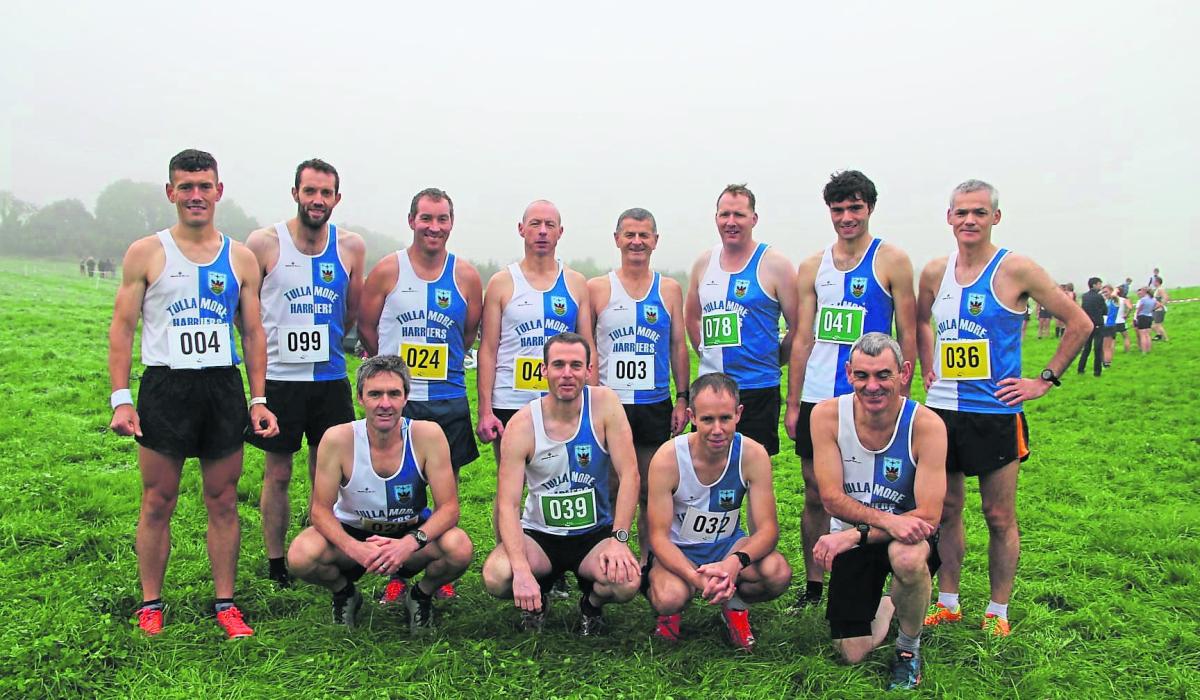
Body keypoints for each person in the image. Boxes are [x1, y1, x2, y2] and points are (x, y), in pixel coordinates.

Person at [108, 149, 279, 638]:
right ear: (170, 192)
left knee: (222, 499)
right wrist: (121, 397)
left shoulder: (241, 258)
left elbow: (252, 334)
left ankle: (225, 602)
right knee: (158, 500)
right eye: (186, 186)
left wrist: (258, 398)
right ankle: (150, 603)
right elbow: (121, 329)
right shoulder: (147, 252)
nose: (196, 195)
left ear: (219, 191)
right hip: (166, 386)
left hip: (221, 386)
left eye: (204, 185)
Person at [916, 179, 1089, 637]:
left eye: (978, 212)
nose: (969, 220)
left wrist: (1043, 380)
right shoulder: (935, 271)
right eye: (960, 212)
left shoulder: (1017, 270)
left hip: (995, 412)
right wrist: (925, 364)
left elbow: (1080, 322)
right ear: (948, 217)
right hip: (941, 411)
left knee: (998, 515)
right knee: (947, 509)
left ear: (995, 217)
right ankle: (948, 601)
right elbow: (919, 319)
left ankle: (997, 609)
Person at [784, 170, 917, 609]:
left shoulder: (891, 260)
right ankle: (814, 584)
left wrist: (904, 391)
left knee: (873, 487)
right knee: (815, 491)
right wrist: (792, 402)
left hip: (871, 392)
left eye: (854, 208)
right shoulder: (812, 266)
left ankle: (872, 575)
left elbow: (907, 332)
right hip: (819, 393)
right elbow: (802, 338)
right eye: (838, 209)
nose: (846, 217)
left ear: (870, 209)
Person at [244, 159, 366, 587]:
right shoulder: (263, 243)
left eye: (325, 193)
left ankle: (320, 548)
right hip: (280, 378)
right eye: (310, 191)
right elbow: (249, 313)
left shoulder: (351, 247)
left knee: (326, 472)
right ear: (295, 192)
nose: (317, 200)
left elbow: (351, 310)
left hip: (330, 378)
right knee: (278, 472)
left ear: (337, 198)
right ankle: (277, 561)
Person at [358, 188, 483, 603]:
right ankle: (399, 571)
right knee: (405, 492)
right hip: (402, 401)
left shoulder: (465, 276)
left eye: (442, 219)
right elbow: (368, 329)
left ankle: (437, 569)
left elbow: (466, 336)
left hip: (448, 398)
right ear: (411, 220)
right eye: (426, 218)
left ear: (452, 222)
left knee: (447, 490)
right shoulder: (387, 270)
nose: (434, 227)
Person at [286, 355, 473, 631]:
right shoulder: (338, 439)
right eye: (375, 394)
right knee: (301, 555)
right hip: (353, 535)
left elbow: (449, 509)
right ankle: (345, 593)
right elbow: (320, 512)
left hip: (410, 535)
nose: (385, 404)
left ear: (406, 397)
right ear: (360, 398)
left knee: (459, 548)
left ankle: (420, 595)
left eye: (393, 394)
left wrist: (408, 544)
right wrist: (356, 549)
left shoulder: (427, 435)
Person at [810, 333, 946, 690]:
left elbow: (929, 515)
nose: (872, 386)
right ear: (848, 372)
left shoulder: (927, 424)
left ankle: (907, 649)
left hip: (903, 537)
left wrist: (859, 532)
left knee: (907, 557)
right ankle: (889, 604)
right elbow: (831, 499)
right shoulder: (826, 415)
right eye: (862, 376)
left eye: (883, 375)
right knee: (852, 653)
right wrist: (875, 528)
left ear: (903, 372)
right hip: (857, 539)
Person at [481, 333, 641, 635]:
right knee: (497, 575)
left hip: (594, 534)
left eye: (576, 365)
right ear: (544, 370)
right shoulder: (522, 424)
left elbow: (630, 474)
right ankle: (536, 598)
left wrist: (619, 540)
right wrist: (520, 569)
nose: (567, 373)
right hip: (540, 537)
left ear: (589, 371)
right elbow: (508, 503)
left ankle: (590, 606)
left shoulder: (605, 405)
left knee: (627, 583)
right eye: (558, 365)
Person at [476, 200, 595, 598]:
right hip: (513, 401)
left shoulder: (576, 283)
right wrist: (486, 409)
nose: (542, 231)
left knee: (561, 482)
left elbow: (587, 348)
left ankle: (559, 566)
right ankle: (515, 564)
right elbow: (488, 349)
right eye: (534, 224)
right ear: (521, 229)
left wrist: (591, 401)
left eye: (550, 224)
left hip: (564, 403)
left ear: (561, 232)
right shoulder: (501, 282)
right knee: (510, 488)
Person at [644, 373, 791, 650]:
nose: (717, 429)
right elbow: (658, 538)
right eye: (707, 419)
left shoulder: (752, 454)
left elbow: (768, 530)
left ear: (739, 414)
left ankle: (734, 608)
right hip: (679, 550)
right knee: (668, 597)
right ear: (692, 416)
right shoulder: (667, 458)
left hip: (727, 547)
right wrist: (696, 579)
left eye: (725, 418)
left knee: (777, 572)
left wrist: (733, 564)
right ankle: (669, 616)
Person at [588, 207, 689, 562]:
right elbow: (590, 350)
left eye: (644, 235)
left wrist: (682, 398)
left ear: (655, 241)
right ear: (617, 239)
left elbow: (678, 346)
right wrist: (593, 400)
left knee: (651, 487)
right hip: (609, 405)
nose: (636, 242)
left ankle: (649, 560)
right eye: (629, 234)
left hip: (653, 403)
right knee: (609, 486)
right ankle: (604, 556)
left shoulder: (670, 289)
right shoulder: (597, 288)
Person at [685, 184, 798, 456]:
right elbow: (692, 316)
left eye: (739, 215)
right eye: (724, 215)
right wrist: (708, 353)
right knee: (706, 470)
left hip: (758, 388)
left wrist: (775, 359)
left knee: (755, 470)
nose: (731, 222)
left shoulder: (776, 264)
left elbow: (799, 327)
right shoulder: (703, 263)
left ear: (754, 219)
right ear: (716, 219)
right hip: (710, 389)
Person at [1076, 277, 1106, 377]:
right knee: (1098, 349)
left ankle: (1081, 368)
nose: (1100, 286)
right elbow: (1105, 311)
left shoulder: (1084, 296)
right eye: (1099, 284)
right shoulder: (1099, 297)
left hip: (1088, 325)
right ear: (1094, 285)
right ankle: (1097, 371)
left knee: (1086, 348)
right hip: (1098, 324)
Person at [1134, 287, 1156, 353]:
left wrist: (1136, 316)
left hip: (1142, 316)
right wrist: (1152, 310)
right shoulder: (1153, 299)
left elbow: (1139, 309)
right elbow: (1157, 305)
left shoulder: (1143, 299)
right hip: (1149, 316)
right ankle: (1148, 349)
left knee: (1142, 335)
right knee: (1148, 335)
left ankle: (1144, 351)